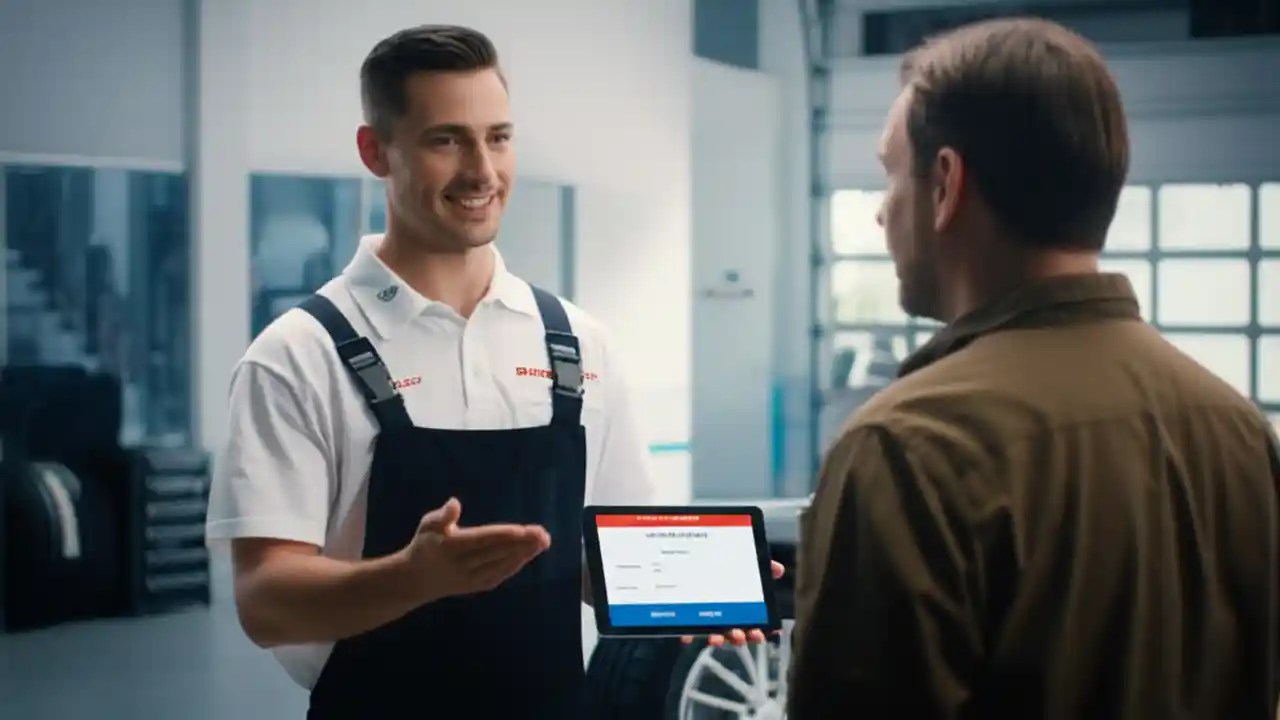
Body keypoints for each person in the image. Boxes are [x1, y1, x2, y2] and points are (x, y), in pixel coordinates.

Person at [205, 24, 775, 719]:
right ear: (375, 151)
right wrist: (411, 579)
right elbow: (265, 600)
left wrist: (692, 590)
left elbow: (599, 557)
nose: (482, 170)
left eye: (498, 138)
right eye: (446, 140)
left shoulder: (578, 345)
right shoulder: (298, 356)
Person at [787, 17, 1280, 720]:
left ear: (945, 184)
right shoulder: (1237, 429)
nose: (881, 213)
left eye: (890, 174)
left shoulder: (909, 446)